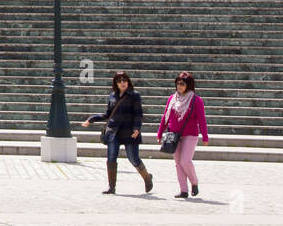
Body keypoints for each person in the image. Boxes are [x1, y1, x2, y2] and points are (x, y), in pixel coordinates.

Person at [81, 71, 151, 194]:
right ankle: (111, 187)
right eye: (119, 81)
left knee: (133, 158)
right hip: (114, 131)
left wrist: (137, 128)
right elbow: (108, 114)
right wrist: (91, 119)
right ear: (116, 83)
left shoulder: (134, 95)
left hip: (129, 131)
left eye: (124, 80)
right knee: (111, 157)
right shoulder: (112, 96)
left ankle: (147, 178)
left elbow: (138, 114)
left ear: (128, 81)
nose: (122, 83)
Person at [158, 71, 208, 199]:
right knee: (178, 163)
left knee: (185, 161)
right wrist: (160, 133)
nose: (179, 86)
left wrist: (205, 137)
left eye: (182, 84)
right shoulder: (172, 99)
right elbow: (165, 117)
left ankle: (194, 182)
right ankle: (183, 190)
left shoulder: (196, 100)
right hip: (173, 135)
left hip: (190, 135)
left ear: (188, 85)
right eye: (178, 83)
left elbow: (202, 120)